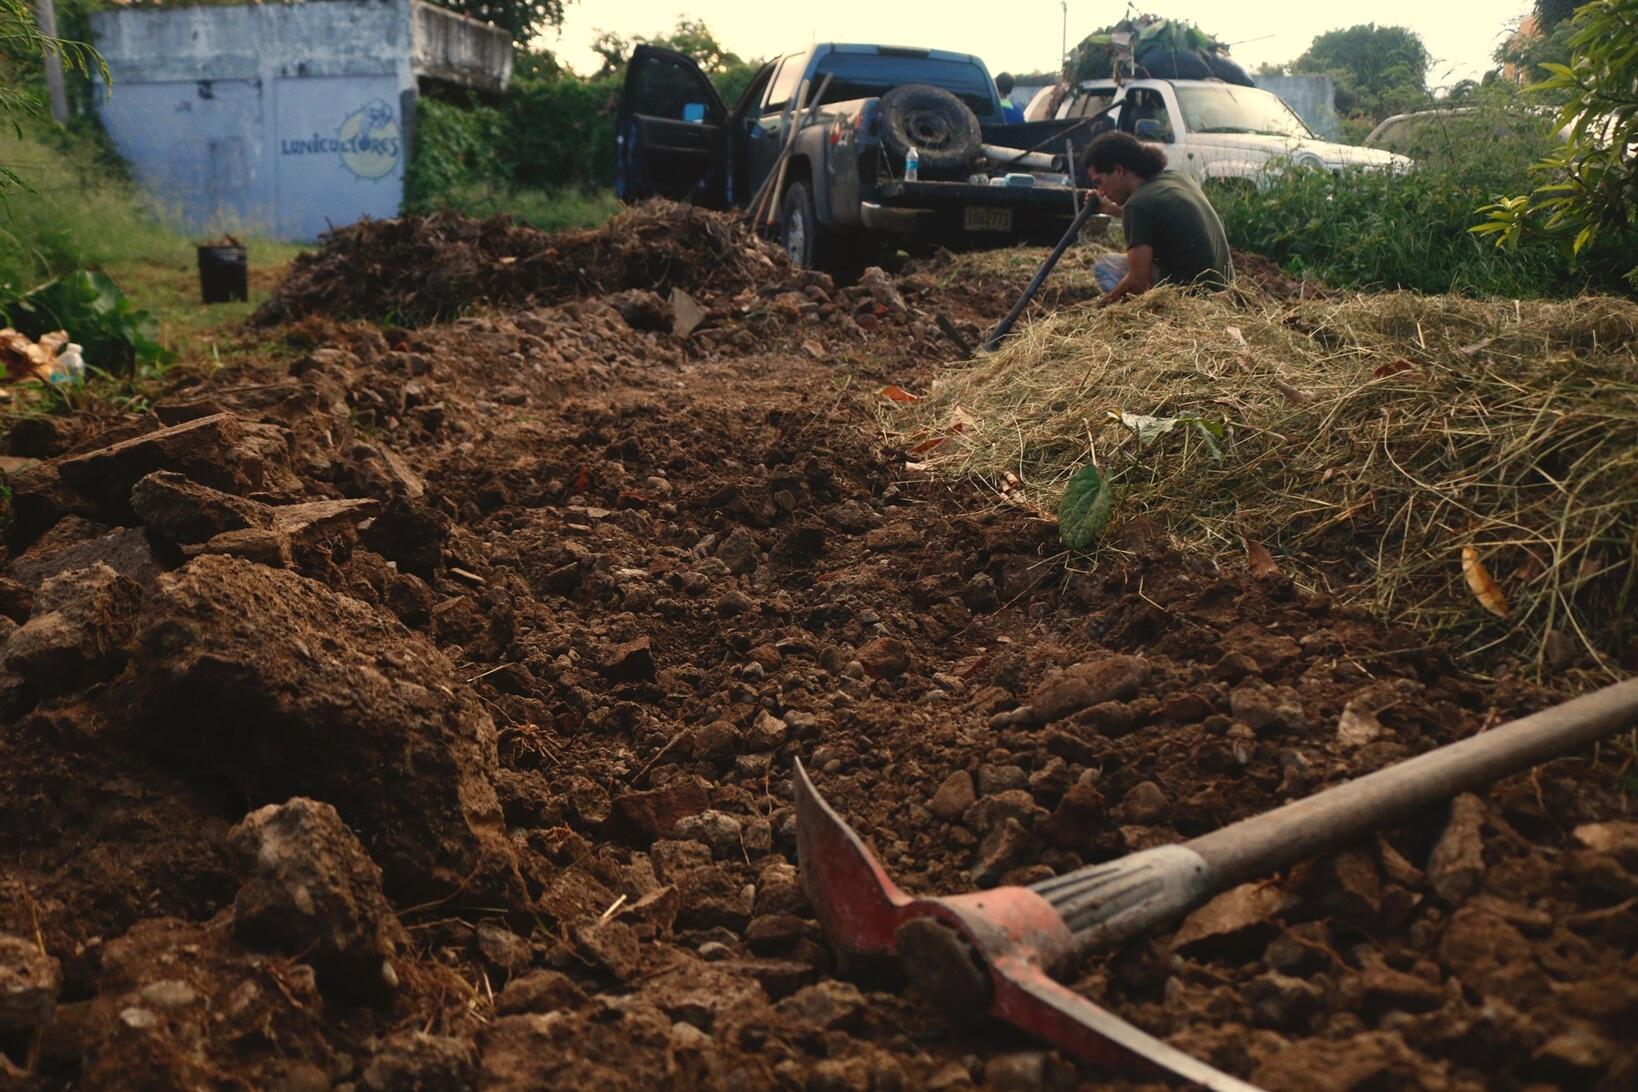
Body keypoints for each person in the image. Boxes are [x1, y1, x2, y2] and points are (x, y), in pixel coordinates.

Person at [1081, 131, 1233, 304]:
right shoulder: (1177, 178)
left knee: (1104, 267)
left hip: (1190, 301)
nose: (1101, 192)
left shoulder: (1137, 205)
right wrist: (1112, 209)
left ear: (1119, 170)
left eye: (1099, 182)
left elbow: (1138, 282)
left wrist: (1100, 309)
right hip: (1223, 292)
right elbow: (1156, 219)